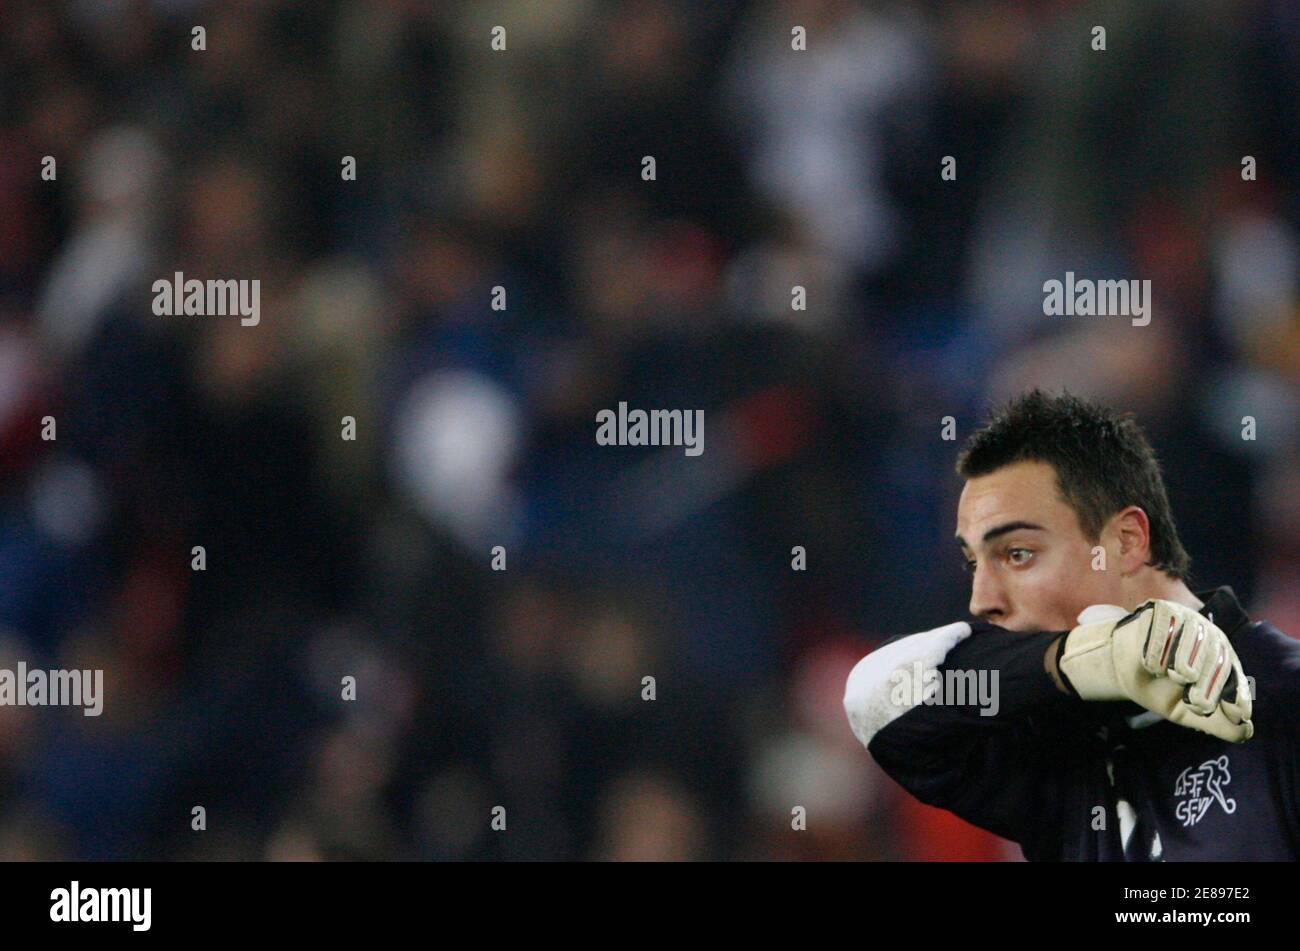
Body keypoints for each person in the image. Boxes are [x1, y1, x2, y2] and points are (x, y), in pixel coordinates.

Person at [844, 390, 1300, 860]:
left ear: (1126, 542)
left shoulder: (1284, 700)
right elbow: (874, 699)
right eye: (972, 564)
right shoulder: (1048, 737)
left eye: (1017, 554)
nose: (982, 601)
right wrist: (1079, 661)